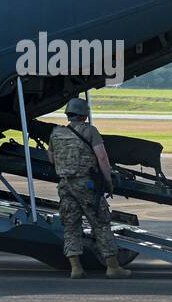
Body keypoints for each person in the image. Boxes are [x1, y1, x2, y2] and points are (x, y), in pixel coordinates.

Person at [48, 98, 131, 279]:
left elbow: (52, 159)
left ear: (69, 114)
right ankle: (112, 267)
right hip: (86, 185)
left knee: (71, 226)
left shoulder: (56, 133)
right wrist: (108, 180)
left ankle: (76, 268)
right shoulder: (90, 131)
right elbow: (102, 157)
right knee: (100, 223)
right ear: (84, 115)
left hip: (65, 185)